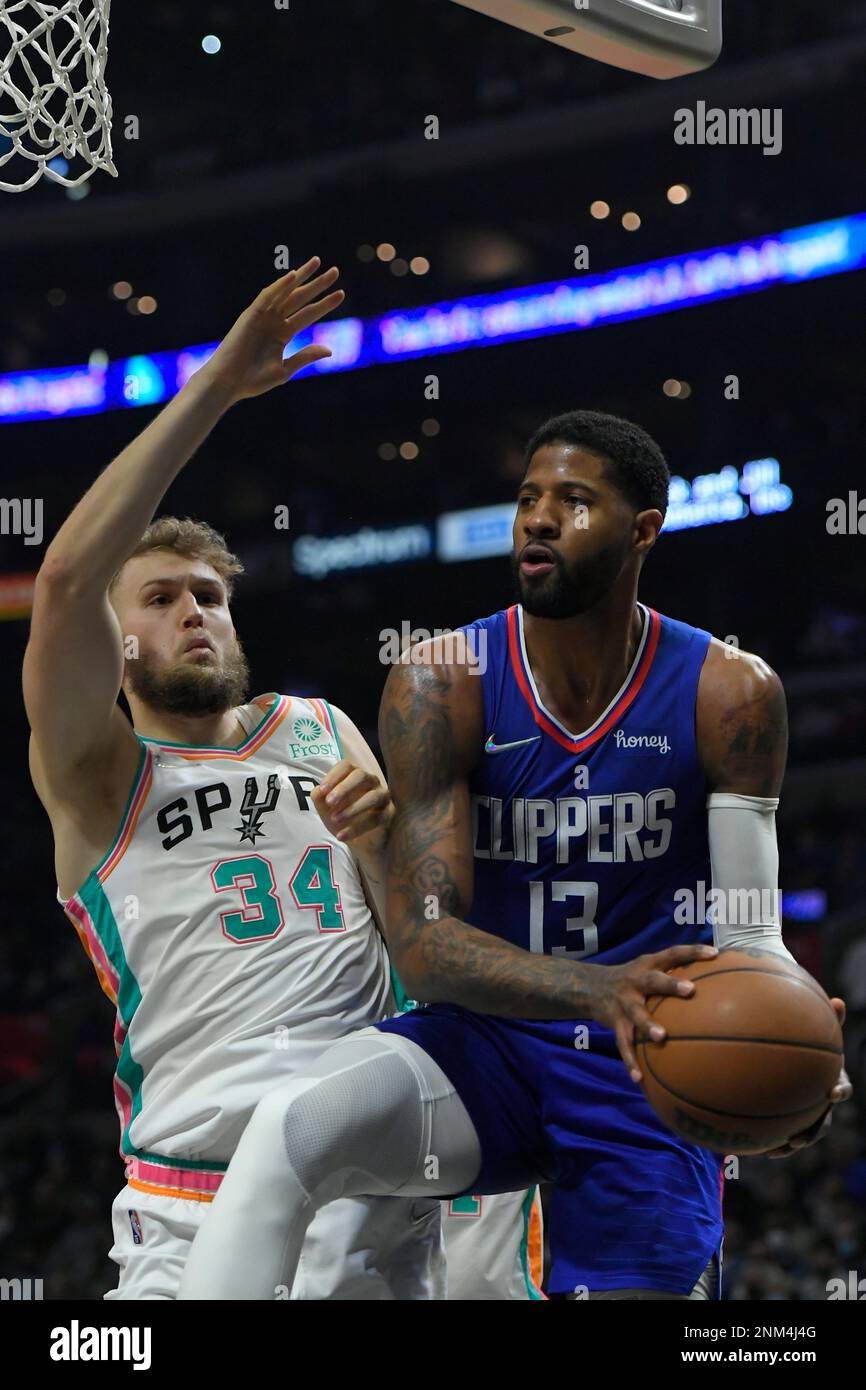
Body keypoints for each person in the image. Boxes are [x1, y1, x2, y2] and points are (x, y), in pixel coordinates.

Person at [178, 410, 851, 1302]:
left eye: (574, 501)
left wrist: (795, 1044)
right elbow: (424, 945)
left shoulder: (730, 691)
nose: (537, 518)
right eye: (528, 498)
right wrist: (600, 988)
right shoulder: (442, 680)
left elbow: (750, 932)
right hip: (486, 1045)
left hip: (647, 1065)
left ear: (644, 529)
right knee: (289, 1128)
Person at [22, 258, 449, 1298]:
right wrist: (216, 384)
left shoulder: (317, 726)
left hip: (363, 1178)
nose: (194, 613)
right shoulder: (97, 771)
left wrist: (382, 840)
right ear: (112, 643)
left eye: (210, 595)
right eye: (161, 598)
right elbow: (69, 577)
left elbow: (424, 944)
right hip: (188, 1194)